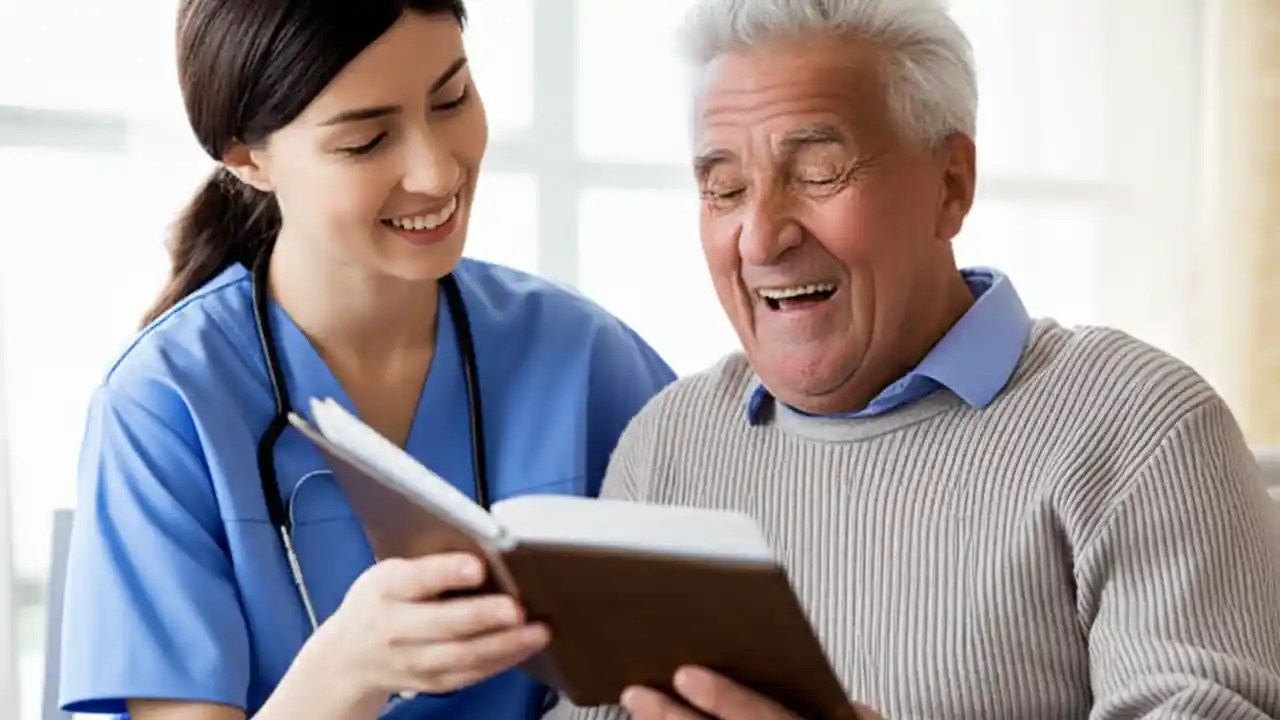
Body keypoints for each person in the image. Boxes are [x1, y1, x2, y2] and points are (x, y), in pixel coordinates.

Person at [551, 1, 1280, 718]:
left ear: (951, 185)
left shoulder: (1142, 427)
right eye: (725, 189)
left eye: (819, 172)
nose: (761, 238)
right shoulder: (666, 446)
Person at [57, 2, 676, 719]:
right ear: (247, 158)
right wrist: (350, 667)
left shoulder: (585, 358)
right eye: (366, 141)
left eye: (452, 99)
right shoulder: (166, 404)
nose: (437, 171)